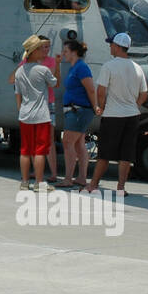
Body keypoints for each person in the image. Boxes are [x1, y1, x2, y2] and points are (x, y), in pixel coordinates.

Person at [84, 33, 148, 196]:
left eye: (111, 44)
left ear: (118, 47)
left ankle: (93, 185)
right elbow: (144, 93)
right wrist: (135, 106)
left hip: (112, 115)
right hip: (132, 115)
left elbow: (101, 90)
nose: (110, 47)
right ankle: (120, 187)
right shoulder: (137, 67)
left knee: (105, 153)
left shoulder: (109, 66)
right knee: (125, 154)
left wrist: (101, 107)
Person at [15, 34, 57, 191]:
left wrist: (20, 109)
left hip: (25, 114)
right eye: (39, 48)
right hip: (41, 115)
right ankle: (39, 183)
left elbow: (17, 93)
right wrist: (57, 65)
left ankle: (24, 182)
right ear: (33, 52)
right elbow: (54, 83)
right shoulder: (43, 70)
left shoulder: (19, 71)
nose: (43, 51)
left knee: (25, 150)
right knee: (40, 150)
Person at [58, 39, 97, 188]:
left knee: (67, 142)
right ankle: (81, 177)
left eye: (66, 51)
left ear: (74, 52)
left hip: (79, 110)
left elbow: (90, 89)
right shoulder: (74, 67)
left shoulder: (81, 67)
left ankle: (68, 178)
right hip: (75, 109)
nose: (63, 54)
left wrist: (95, 107)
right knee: (79, 144)